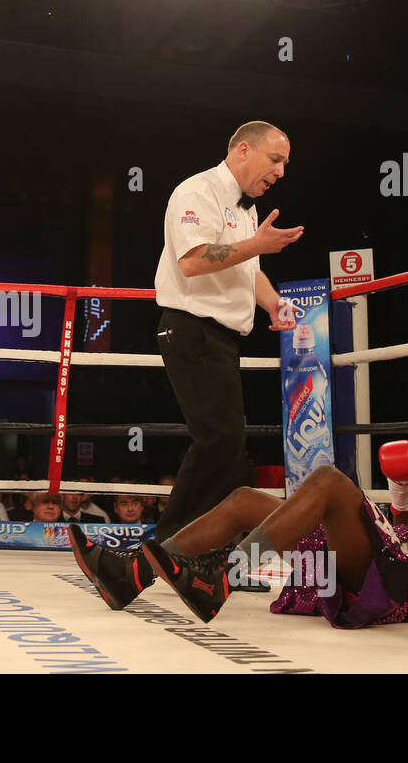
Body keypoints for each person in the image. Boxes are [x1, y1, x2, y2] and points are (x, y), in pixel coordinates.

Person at [72, 440, 408, 628]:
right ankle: (127, 577)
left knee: (332, 483)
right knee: (242, 501)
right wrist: (402, 492)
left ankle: (221, 579)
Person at [153, 121, 302, 536]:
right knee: (220, 442)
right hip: (192, 329)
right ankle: (171, 546)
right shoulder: (197, 191)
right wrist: (256, 244)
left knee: (227, 447)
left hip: (216, 338)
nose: (281, 172)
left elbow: (245, 269)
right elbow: (194, 260)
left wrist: (274, 303)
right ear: (241, 151)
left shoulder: (246, 207)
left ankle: (202, 546)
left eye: (285, 163)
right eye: (275, 159)